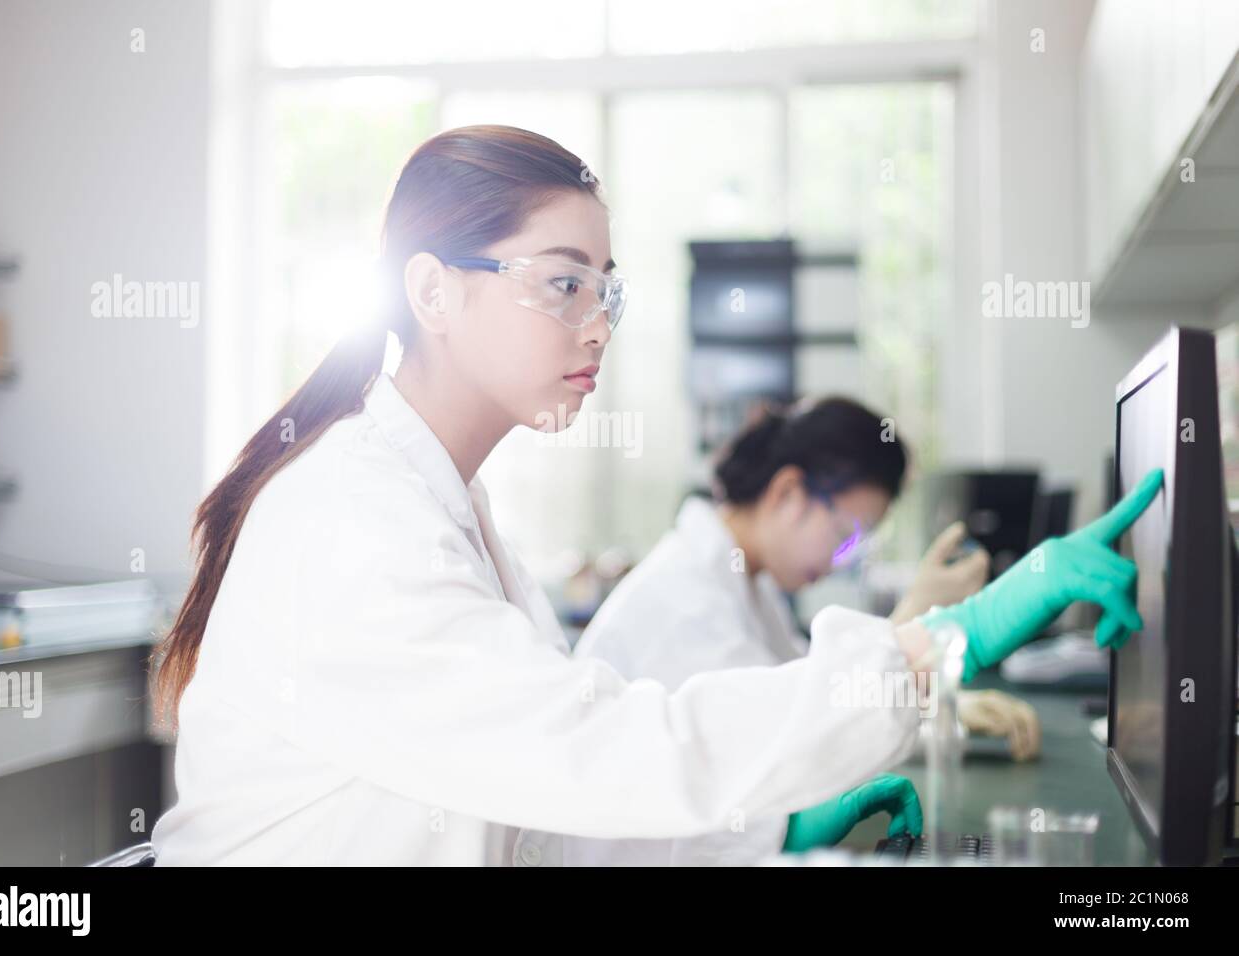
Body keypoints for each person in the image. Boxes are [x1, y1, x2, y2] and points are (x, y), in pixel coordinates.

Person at [148, 124, 1161, 865]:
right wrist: (948, 636)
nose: (597, 324)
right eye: (561, 282)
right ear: (431, 291)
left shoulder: (443, 503)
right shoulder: (354, 517)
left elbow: (536, 809)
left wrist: (768, 828)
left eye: (607, 288)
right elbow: (604, 750)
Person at [560, 400, 1036, 865]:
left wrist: (935, 707)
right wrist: (915, 620)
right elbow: (795, 737)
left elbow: (814, 690)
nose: (840, 561)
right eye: (847, 536)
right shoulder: (687, 603)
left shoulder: (748, 584)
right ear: (788, 492)